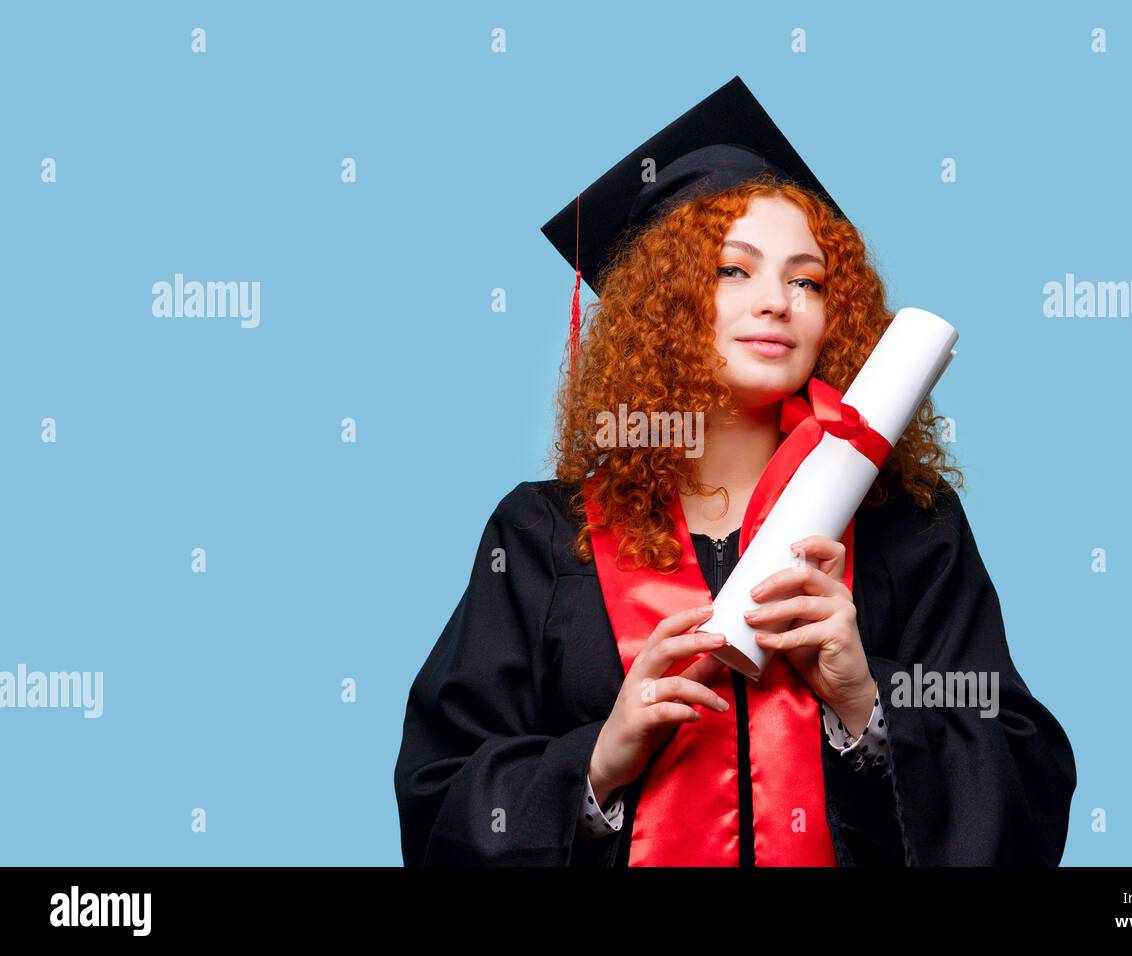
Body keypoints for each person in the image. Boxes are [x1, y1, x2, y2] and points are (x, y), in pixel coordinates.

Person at [394, 76, 1076, 867]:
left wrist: (867, 700)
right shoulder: (545, 536)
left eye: (808, 280)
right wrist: (597, 763)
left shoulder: (910, 529)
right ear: (667, 301)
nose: (777, 302)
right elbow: (439, 794)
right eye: (733, 270)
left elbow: (1023, 773)